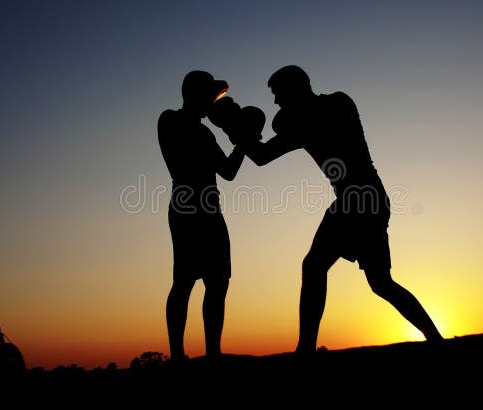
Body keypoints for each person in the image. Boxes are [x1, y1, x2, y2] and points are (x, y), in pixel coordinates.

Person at [239, 65, 443, 353]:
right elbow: (267, 148)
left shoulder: (328, 108)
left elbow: (261, 155)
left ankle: (306, 349)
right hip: (369, 196)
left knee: (317, 268)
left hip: (356, 199)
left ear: (295, 87)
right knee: (379, 282)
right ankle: (436, 340)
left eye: (278, 94)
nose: (275, 102)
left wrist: (236, 128)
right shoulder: (337, 103)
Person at [158, 70, 245, 361]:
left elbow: (229, 172)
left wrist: (243, 141)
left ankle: (213, 353)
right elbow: (184, 154)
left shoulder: (206, 132)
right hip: (186, 209)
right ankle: (177, 355)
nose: (212, 103)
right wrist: (232, 128)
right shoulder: (170, 119)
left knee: (218, 281)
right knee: (184, 281)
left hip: (211, 210)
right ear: (195, 95)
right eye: (209, 96)